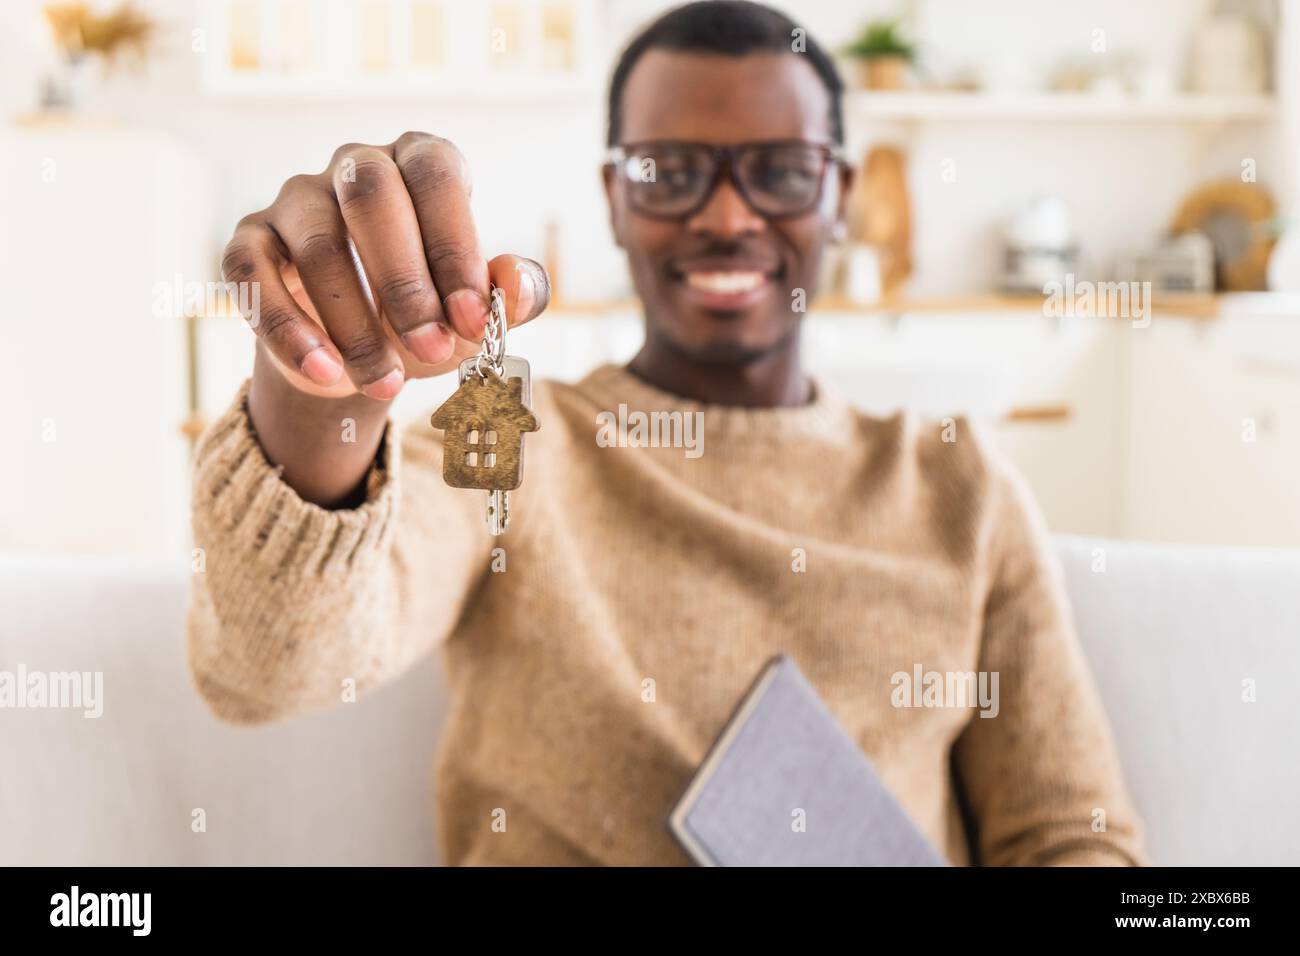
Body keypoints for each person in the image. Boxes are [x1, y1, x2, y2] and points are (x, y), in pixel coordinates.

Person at [188, 0, 1144, 866]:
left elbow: (1070, 837)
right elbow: (271, 670)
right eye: (667, 171)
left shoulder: (962, 491)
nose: (726, 216)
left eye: (778, 170)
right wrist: (330, 390)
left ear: (841, 195)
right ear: (612, 198)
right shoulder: (518, 451)